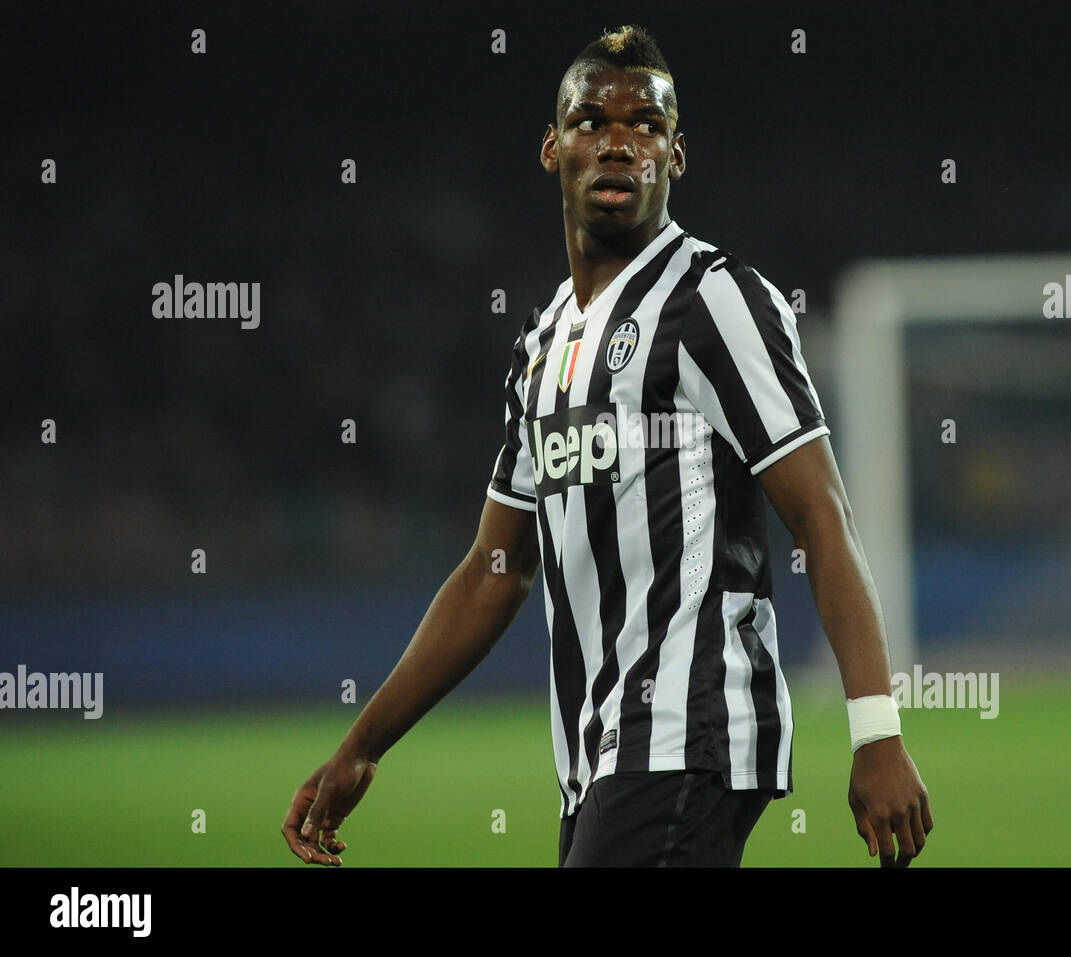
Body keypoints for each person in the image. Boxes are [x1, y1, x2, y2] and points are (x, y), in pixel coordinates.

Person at [282, 23, 933, 868]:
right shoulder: (544, 341)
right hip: (594, 757)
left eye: (646, 125)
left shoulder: (715, 301)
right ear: (553, 148)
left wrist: (876, 730)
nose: (619, 142)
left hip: (689, 728)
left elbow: (822, 516)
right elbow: (496, 569)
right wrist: (361, 745)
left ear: (677, 154)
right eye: (592, 120)